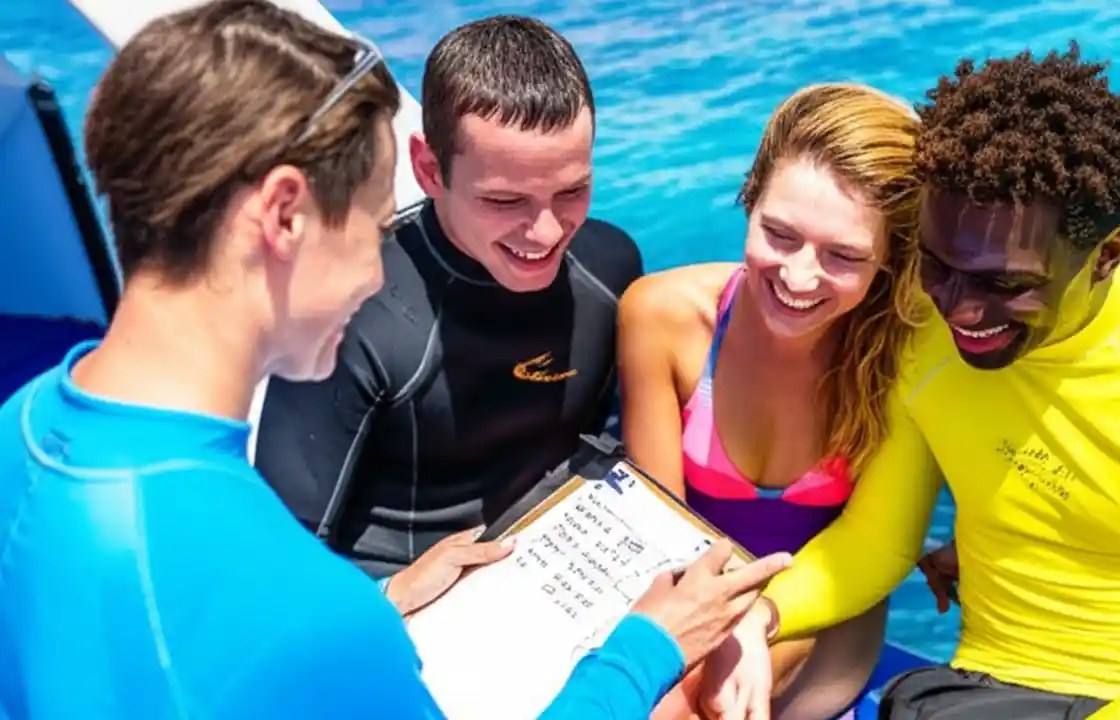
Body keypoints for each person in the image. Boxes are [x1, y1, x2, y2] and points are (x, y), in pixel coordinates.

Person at [0, 2, 792, 717]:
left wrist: (384, 599)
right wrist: (644, 654)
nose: (379, 271)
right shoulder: (304, 605)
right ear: (284, 214)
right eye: (376, 223)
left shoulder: (20, 430)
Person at [704, 42, 1120, 720]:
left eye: (1005, 284)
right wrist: (761, 616)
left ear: (1107, 257)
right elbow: (877, 542)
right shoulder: (921, 335)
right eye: (939, 266)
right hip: (980, 691)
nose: (961, 310)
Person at [252, 14, 644, 579]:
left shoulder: (609, 267)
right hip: (400, 601)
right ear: (429, 169)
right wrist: (393, 596)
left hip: (558, 571)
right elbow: (274, 556)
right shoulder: (355, 310)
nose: (548, 233)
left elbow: (621, 449)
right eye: (506, 201)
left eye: (572, 191)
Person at [616, 83, 926, 719]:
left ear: (891, 258)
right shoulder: (664, 318)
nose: (800, 277)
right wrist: (706, 641)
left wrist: (756, 625)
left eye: (843, 255)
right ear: (749, 197)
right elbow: (659, 535)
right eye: (780, 234)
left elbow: (875, 544)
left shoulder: (909, 355)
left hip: (823, 619)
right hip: (693, 601)